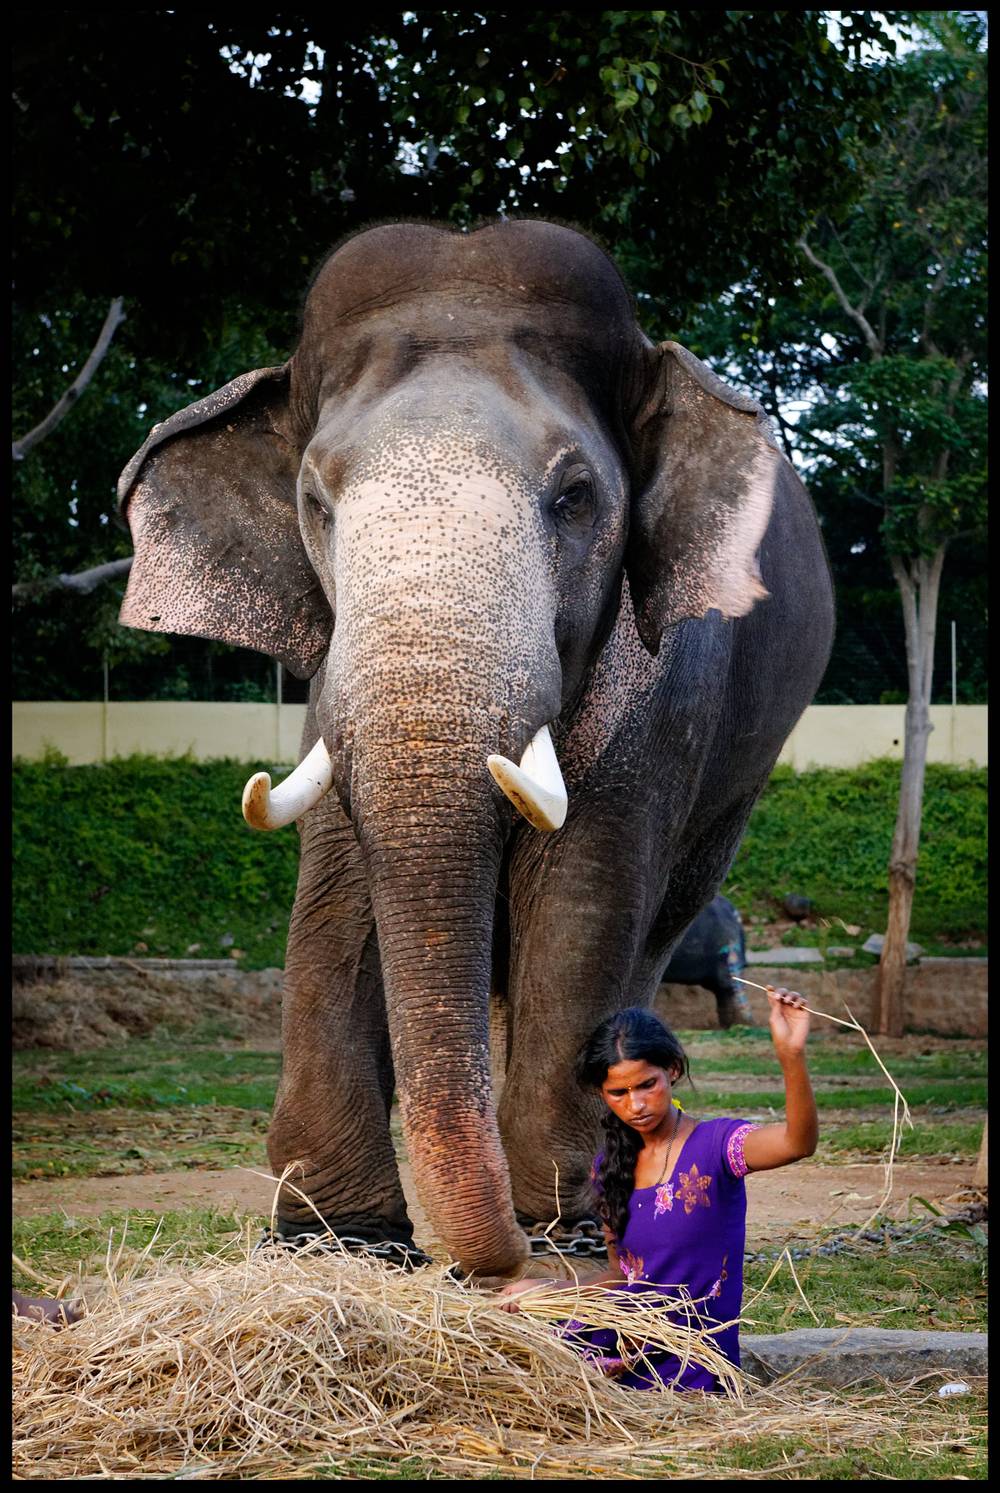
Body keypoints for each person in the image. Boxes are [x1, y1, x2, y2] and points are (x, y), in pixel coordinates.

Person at [498, 986, 817, 1392]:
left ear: (673, 1071)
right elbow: (623, 1275)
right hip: (624, 1332)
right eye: (619, 1092)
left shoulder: (718, 1146)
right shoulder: (610, 1167)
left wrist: (791, 1054)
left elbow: (796, 1143)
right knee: (506, 1338)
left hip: (691, 1358)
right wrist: (549, 1290)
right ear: (603, 1094)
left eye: (647, 1084)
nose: (636, 1105)